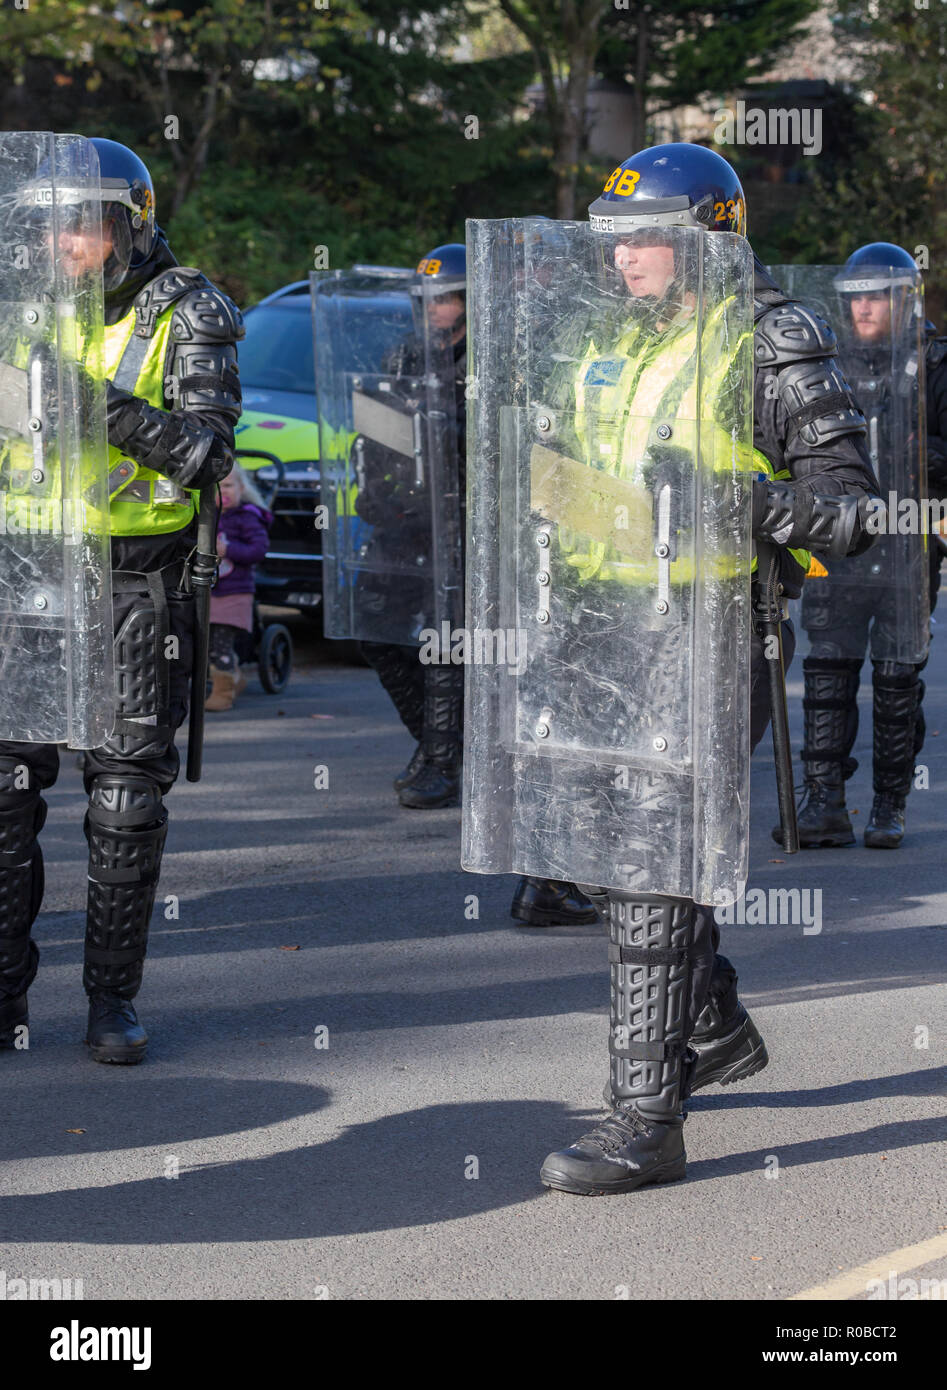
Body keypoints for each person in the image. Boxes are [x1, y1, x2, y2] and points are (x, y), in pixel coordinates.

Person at [464, 144, 879, 1195]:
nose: (626, 260)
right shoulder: (605, 339)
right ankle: (714, 1021)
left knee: (649, 865)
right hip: (598, 632)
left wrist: (710, 494)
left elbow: (848, 509)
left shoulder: (770, 332)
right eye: (614, 243)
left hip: (706, 636)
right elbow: (584, 485)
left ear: (707, 240)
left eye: (647, 240)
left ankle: (642, 1120)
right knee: (590, 854)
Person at [0, 135, 243, 1062]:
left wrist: (90, 403)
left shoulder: (189, 311)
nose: (64, 245)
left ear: (128, 225)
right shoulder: (19, 308)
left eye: (83, 226)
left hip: (132, 580)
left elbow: (208, 455)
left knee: (123, 799)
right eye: (50, 226)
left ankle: (111, 1002)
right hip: (22, 575)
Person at [788, 244, 929, 849]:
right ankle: (824, 804)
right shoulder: (830, 362)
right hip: (838, 551)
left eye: (875, 296)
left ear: (903, 300)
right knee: (826, 678)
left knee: (897, 685)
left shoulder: (935, 362)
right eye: (854, 298)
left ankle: (889, 805)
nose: (863, 307)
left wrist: (914, 460)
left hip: (906, 550)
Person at [354, 244, 468, 809]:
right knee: (376, 625)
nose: (432, 307)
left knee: (449, 640)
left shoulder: (490, 362)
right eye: (424, 297)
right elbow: (376, 430)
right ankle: (436, 741)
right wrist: (373, 490)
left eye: (444, 297)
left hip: (463, 524)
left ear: (469, 303)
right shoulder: (405, 356)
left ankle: (443, 763)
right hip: (404, 520)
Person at [206, 465, 272, 712]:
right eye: (218, 487)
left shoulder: (248, 517)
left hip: (235, 592)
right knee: (208, 642)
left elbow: (258, 550)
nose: (224, 492)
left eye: (229, 486)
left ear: (241, 489)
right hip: (211, 591)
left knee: (220, 643)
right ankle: (232, 679)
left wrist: (228, 550)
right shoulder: (208, 517)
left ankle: (223, 693)